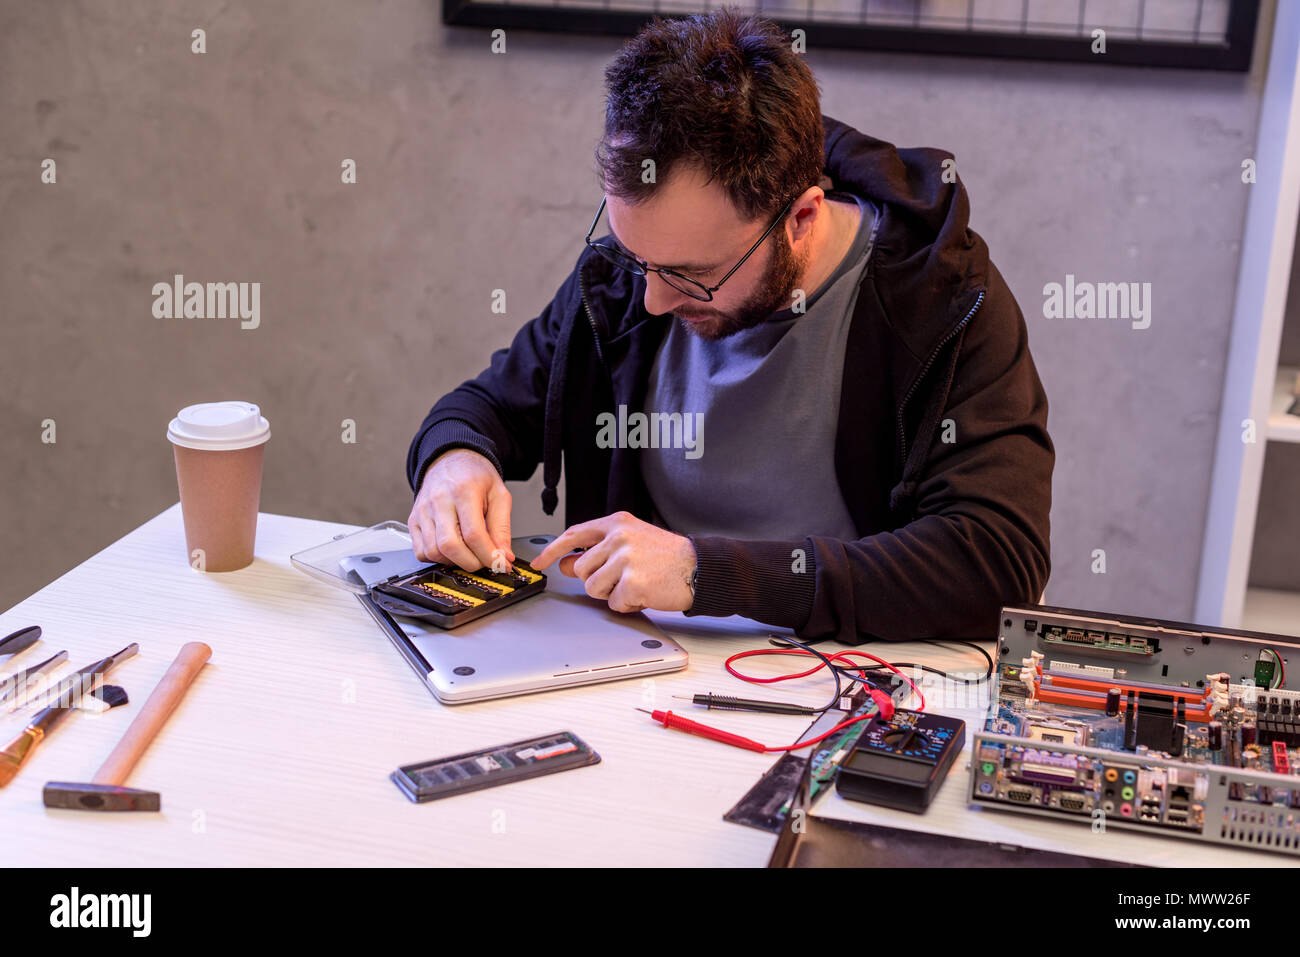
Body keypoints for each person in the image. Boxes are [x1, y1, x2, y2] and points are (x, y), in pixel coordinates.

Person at [405, 9, 1053, 643]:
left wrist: (706, 573)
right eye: (636, 258)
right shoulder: (632, 276)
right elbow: (488, 408)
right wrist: (453, 461)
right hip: (638, 667)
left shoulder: (942, 299)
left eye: (692, 274)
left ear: (801, 217)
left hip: (844, 677)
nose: (653, 300)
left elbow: (997, 561)